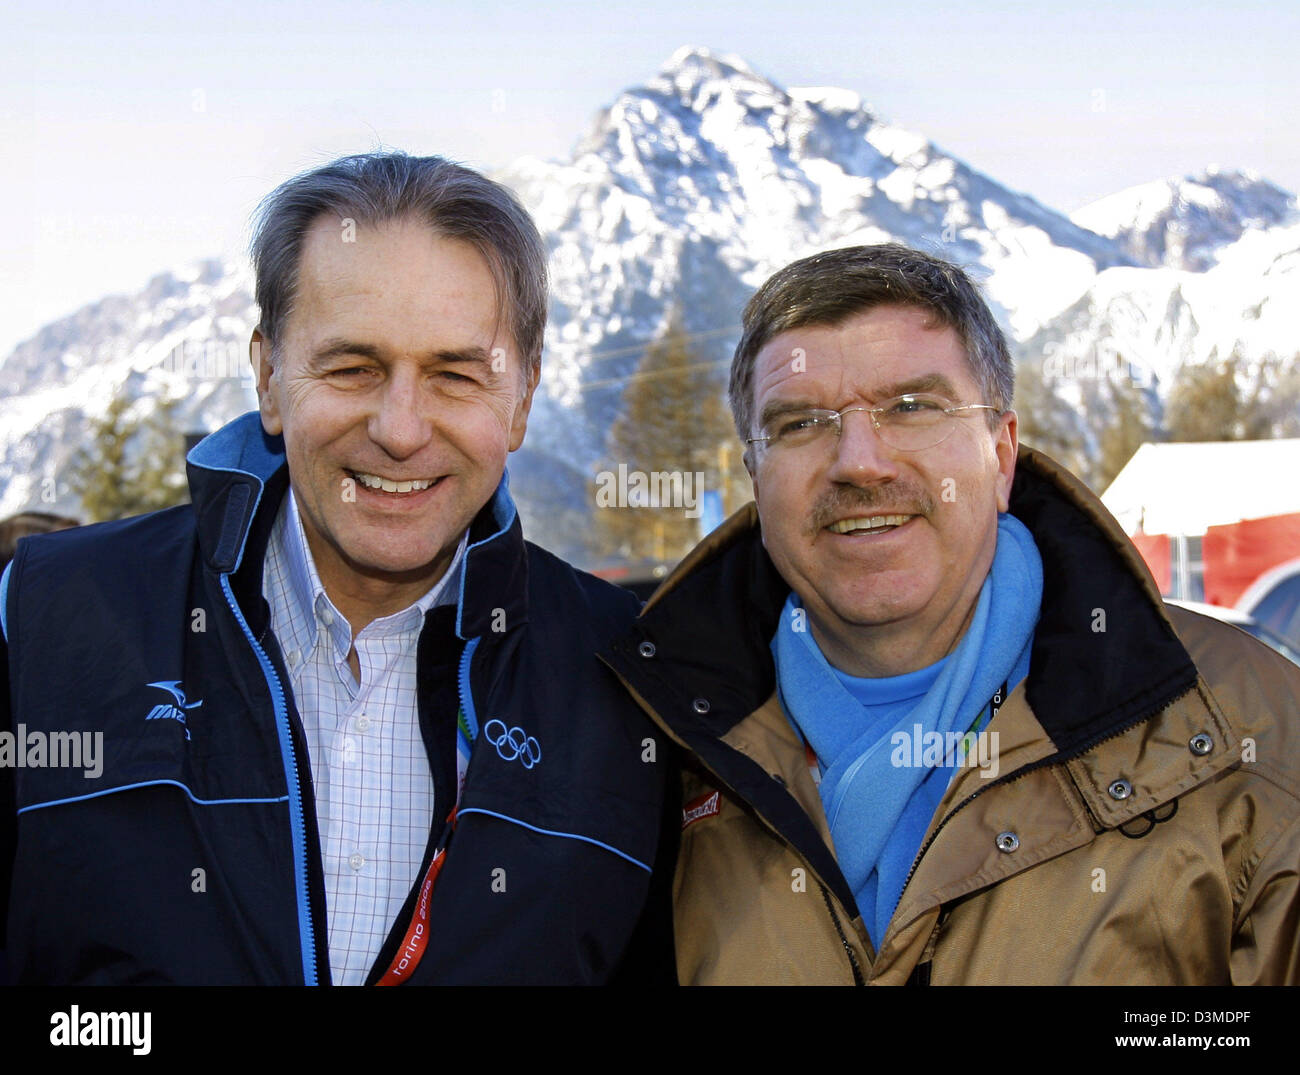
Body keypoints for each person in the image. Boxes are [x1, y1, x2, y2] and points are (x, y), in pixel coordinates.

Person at [0, 152, 672, 985]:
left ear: (523, 399)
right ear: (270, 378)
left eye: (456, 374)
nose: (399, 427)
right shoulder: (44, 618)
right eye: (353, 367)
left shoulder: (628, 681)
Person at [601, 243, 1300, 985]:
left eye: (911, 406)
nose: (859, 462)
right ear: (755, 476)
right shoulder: (650, 748)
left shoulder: (1244, 727)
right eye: (801, 423)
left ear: (1000, 456)